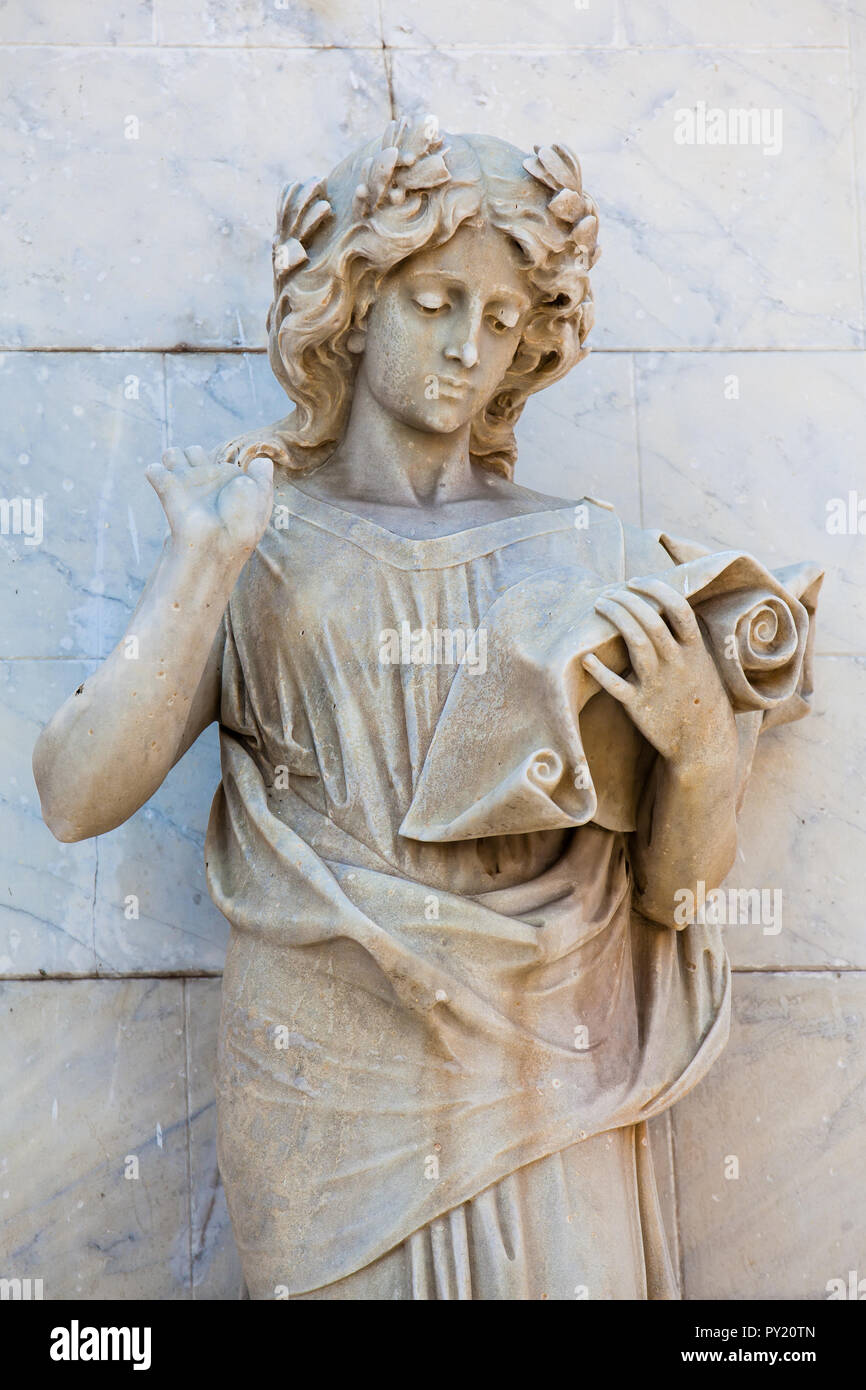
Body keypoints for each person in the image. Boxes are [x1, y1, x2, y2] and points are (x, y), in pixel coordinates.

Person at [33, 119, 819, 1300]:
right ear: (351, 303)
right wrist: (195, 573)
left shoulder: (588, 548)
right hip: (324, 1091)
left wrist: (704, 757)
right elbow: (75, 797)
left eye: (500, 319)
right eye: (434, 299)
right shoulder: (261, 542)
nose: (467, 346)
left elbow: (670, 899)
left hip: (553, 1075)